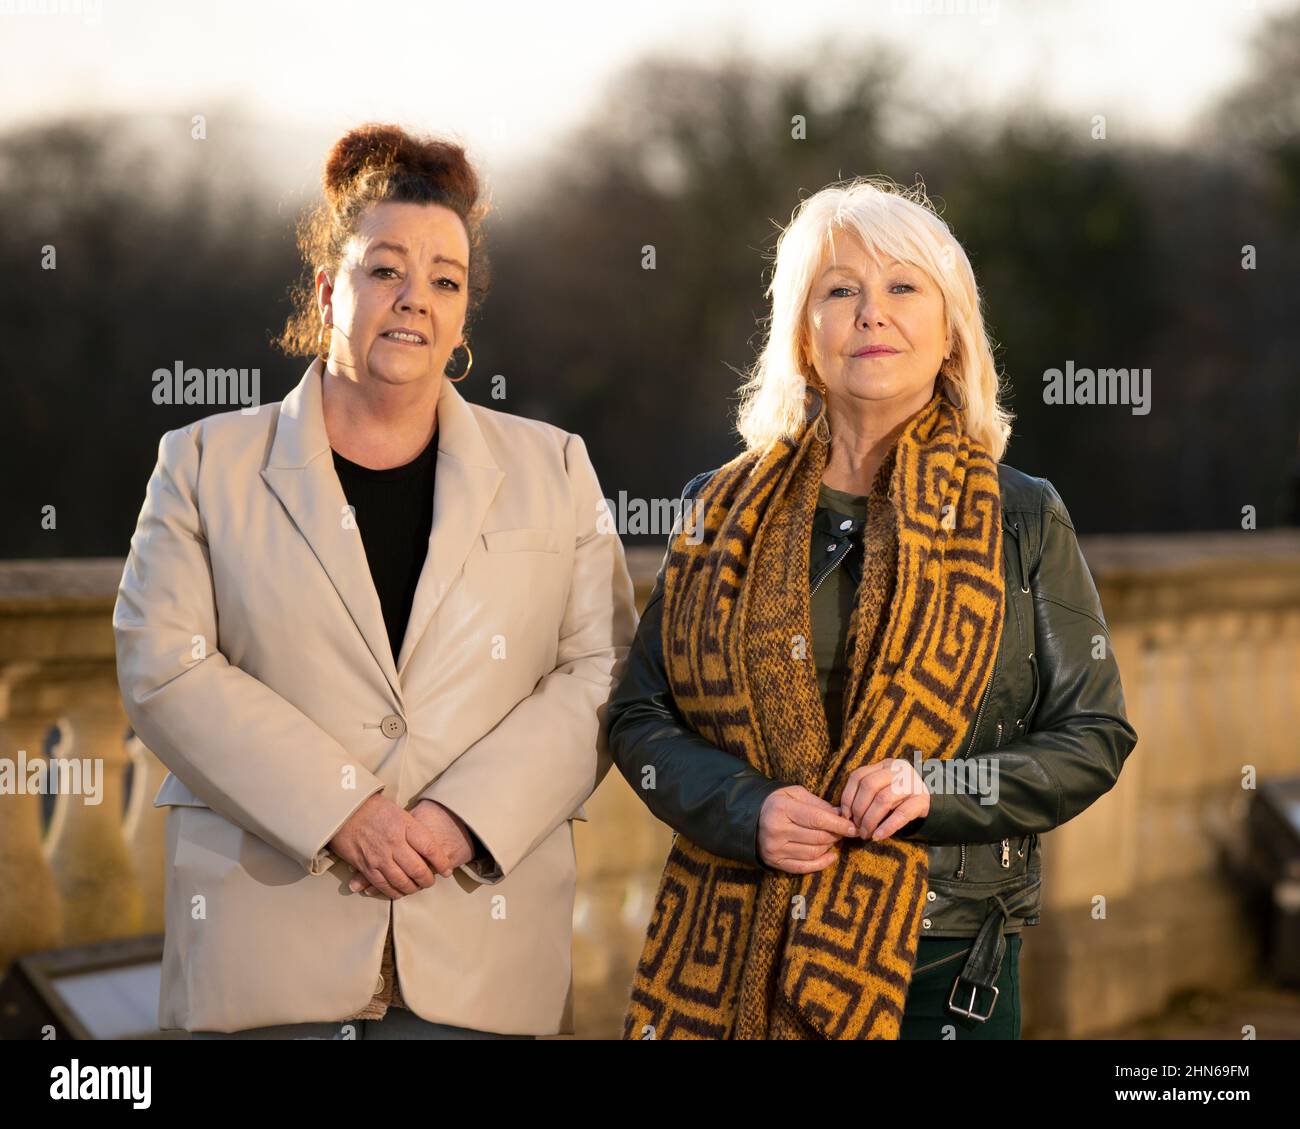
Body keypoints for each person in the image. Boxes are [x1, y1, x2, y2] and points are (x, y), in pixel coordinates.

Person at [113, 123, 636, 1039]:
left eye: (445, 280)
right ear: (328, 290)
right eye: (385, 269)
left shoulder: (556, 466)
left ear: (464, 315)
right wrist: (342, 811)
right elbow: (167, 665)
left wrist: (462, 818)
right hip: (266, 955)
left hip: (483, 953)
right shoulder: (201, 462)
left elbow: (601, 669)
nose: (414, 299)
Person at [608, 175, 1138, 1040]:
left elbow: (1094, 735)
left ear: (951, 330)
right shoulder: (718, 506)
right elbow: (641, 714)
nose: (872, 314)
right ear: (802, 332)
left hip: (945, 961)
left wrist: (940, 787)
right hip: (736, 937)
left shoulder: (1022, 515)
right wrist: (747, 809)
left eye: (902, 287)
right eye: (840, 290)